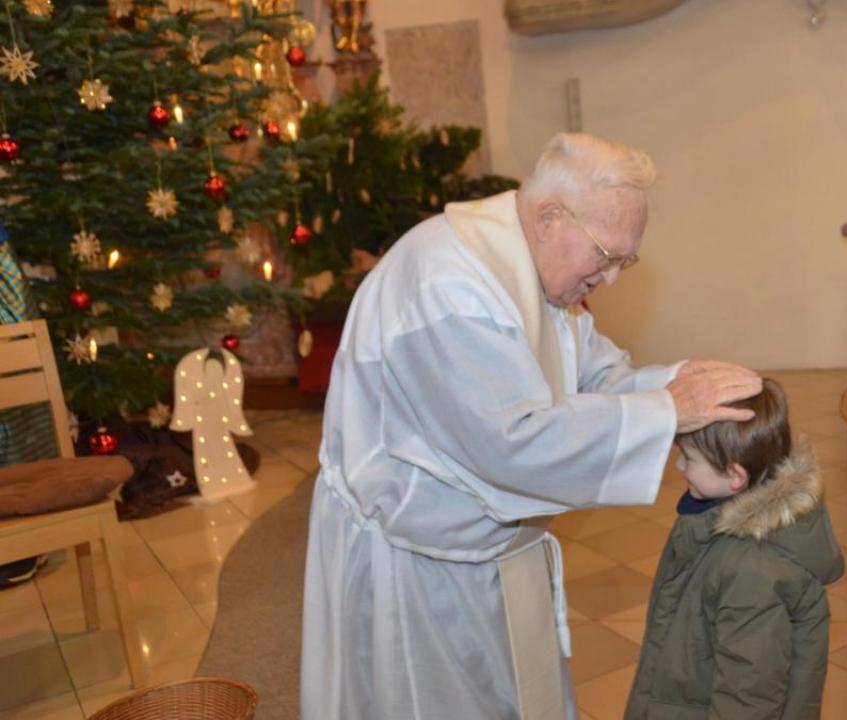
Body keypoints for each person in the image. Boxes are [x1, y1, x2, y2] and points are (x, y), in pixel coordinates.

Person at [299, 132, 761, 720]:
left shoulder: (537, 272)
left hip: (481, 552)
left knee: (511, 696)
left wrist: (679, 384)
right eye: (607, 254)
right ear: (549, 215)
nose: (612, 278)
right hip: (417, 566)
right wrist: (670, 408)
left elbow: (595, 376)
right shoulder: (451, 284)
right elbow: (510, 442)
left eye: (626, 260)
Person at [625, 378, 843, 719]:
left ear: (735, 476)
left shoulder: (751, 571)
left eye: (688, 458)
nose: (679, 466)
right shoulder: (712, 524)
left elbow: (748, 696)